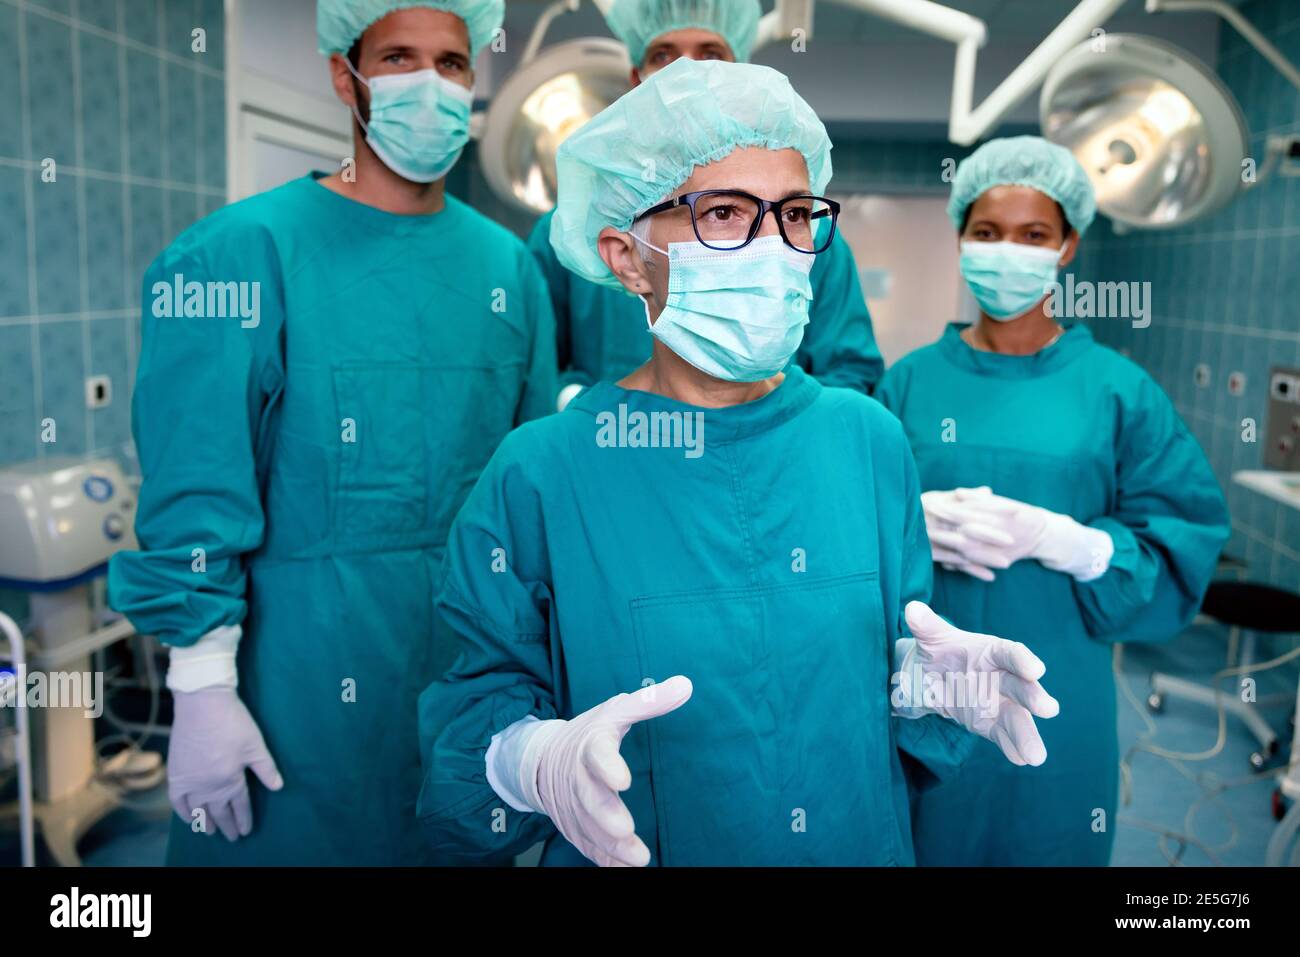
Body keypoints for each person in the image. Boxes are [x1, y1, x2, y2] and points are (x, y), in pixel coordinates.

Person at [416, 59, 1059, 867]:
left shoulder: (866, 439)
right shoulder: (542, 471)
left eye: (795, 214)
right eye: (724, 213)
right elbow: (472, 708)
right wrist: (526, 761)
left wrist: (924, 685)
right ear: (626, 254)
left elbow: (884, 668)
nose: (772, 247)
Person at [108, 0, 557, 865]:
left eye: (453, 63)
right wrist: (201, 683)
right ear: (343, 75)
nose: (430, 84)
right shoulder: (238, 256)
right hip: (291, 707)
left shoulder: (508, 272)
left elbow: (525, 497)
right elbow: (197, 481)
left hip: (462, 694)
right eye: (397, 58)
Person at [875, 135, 1230, 866]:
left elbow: (1181, 543)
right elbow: (850, 545)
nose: (1009, 250)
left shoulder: (1117, 390)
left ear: (1067, 246)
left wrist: (1079, 543)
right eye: (987, 232)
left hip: (1058, 694)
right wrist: (906, 525)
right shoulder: (907, 385)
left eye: (1033, 234)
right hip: (926, 691)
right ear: (962, 238)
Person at [527, 0, 883, 410]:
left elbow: (850, 372)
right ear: (634, 81)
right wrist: (581, 408)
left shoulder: (807, 237)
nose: (685, 73)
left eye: (709, 55)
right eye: (664, 55)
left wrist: (782, 429)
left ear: (740, 75)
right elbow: (532, 368)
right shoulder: (584, 232)